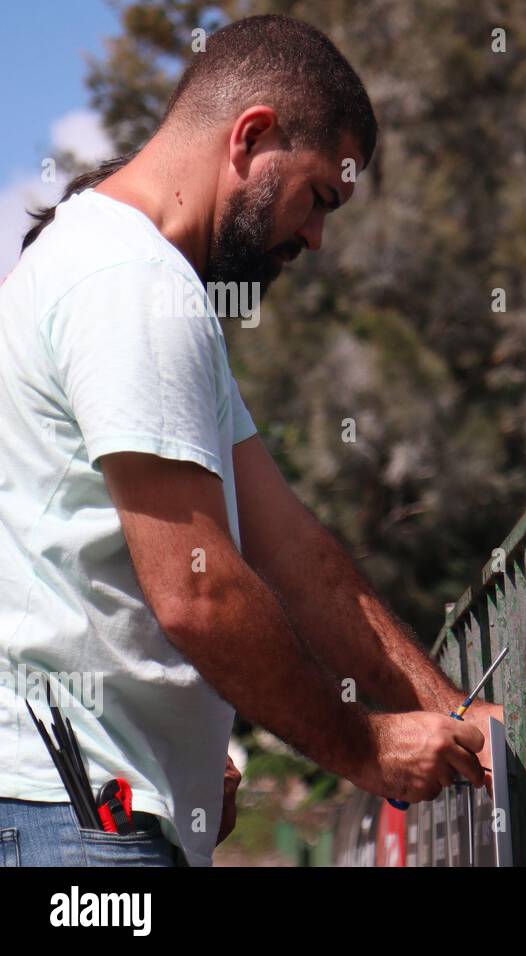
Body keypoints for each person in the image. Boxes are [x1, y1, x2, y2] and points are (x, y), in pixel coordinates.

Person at [0, 13, 500, 868]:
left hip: (92, 813)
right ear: (253, 136)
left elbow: (290, 548)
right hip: (73, 823)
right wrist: (368, 747)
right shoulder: (131, 283)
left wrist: (451, 713)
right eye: (320, 198)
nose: (315, 238)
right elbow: (200, 593)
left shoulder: (139, 278)